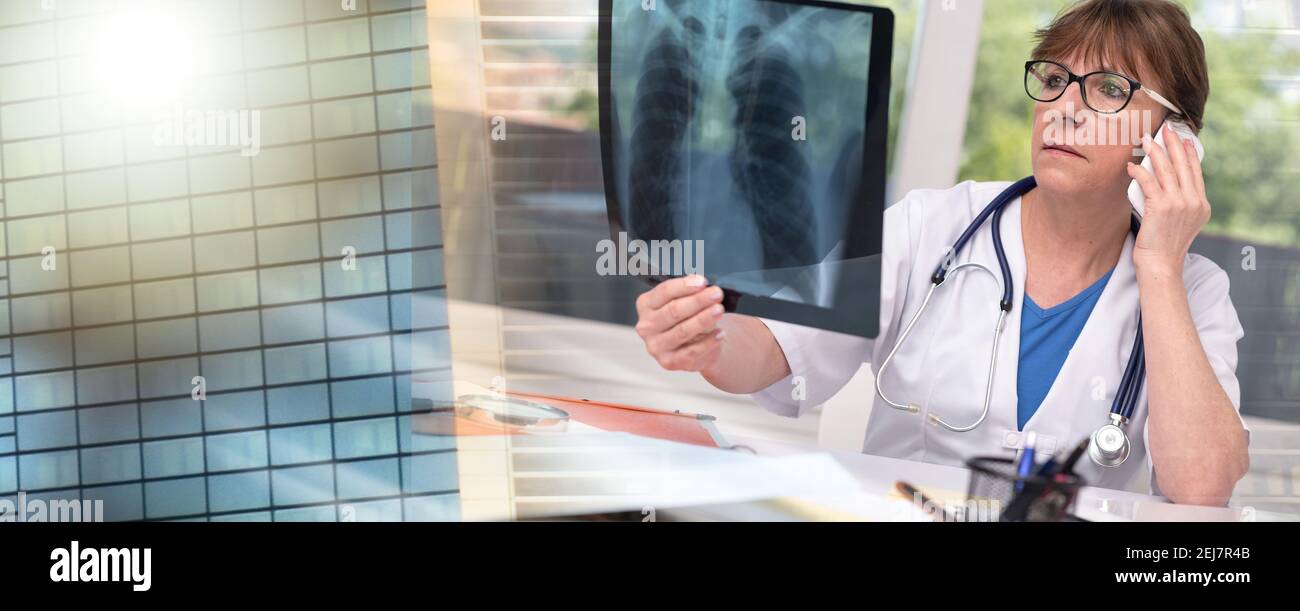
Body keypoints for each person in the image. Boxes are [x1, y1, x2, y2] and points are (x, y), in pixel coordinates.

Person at [631, 0, 1249, 505]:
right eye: (1056, 79)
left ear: (1176, 141)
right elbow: (773, 347)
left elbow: (1202, 489)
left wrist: (1160, 266)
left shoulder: (1195, 290)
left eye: (1108, 89)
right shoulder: (929, 226)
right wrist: (707, 334)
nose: (1064, 108)